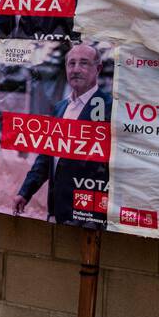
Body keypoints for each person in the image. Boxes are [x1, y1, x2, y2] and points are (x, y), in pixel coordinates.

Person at [13, 44, 110, 225]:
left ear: (98, 69)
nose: (76, 69)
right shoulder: (60, 108)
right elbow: (46, 157)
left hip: (90, 218)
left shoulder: (109, 108)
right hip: (59, 213)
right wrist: (25, 192)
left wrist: (97, 219)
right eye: (71, 63)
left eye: (84, 63)